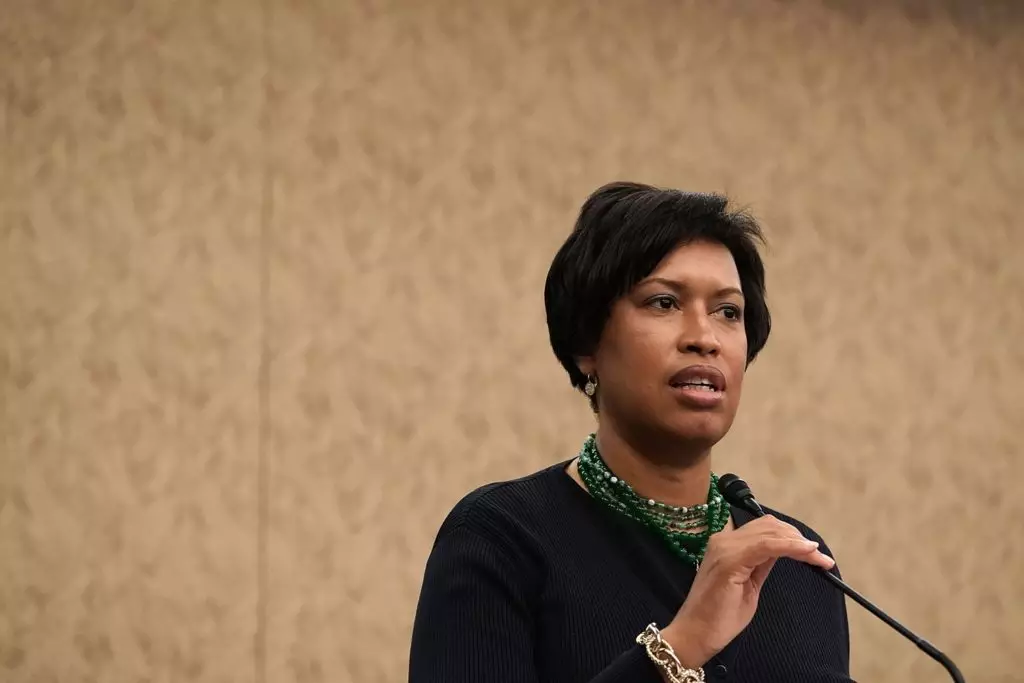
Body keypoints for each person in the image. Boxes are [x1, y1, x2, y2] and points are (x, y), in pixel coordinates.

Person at [408, 182, 853, 683]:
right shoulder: (501, 539)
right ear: (586, 344)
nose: (704, 337)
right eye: (664, 303)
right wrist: (679, 647)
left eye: (728, 312)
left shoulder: (798, 561)